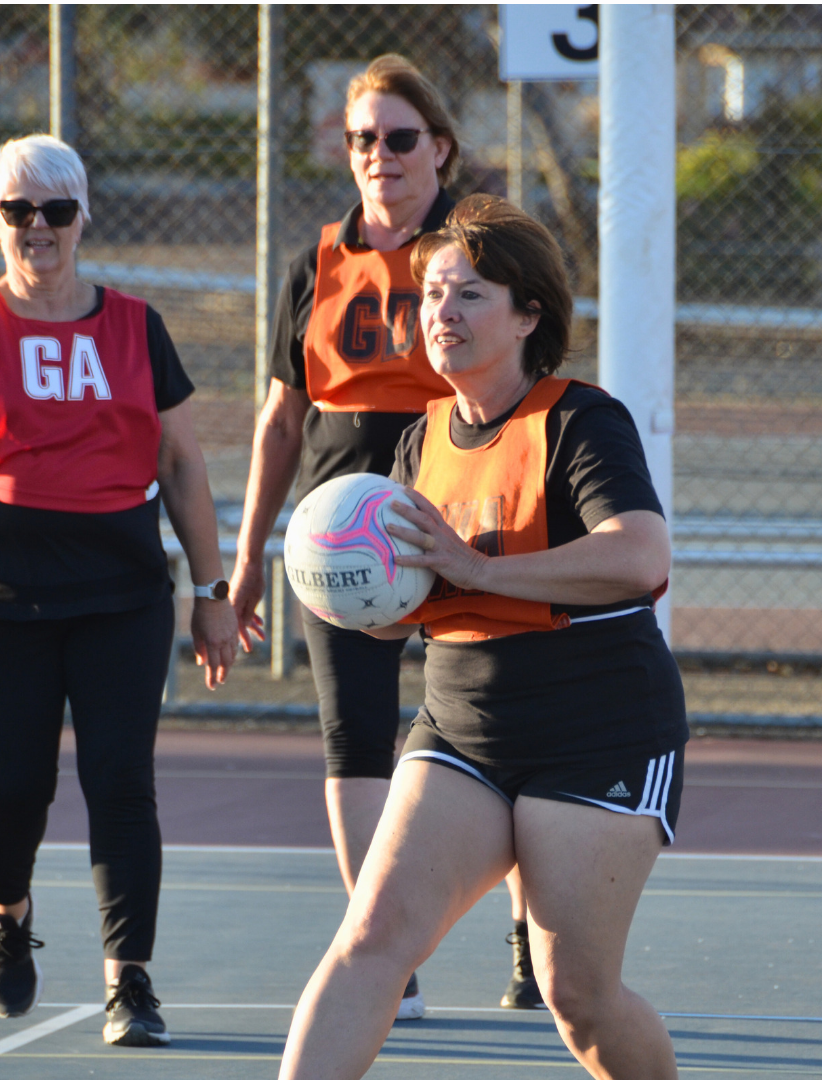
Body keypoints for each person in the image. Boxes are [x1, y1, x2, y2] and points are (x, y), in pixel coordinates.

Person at [277, 194, 688, 1080]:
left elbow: (640, 556)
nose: (442, 312)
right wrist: (361, 600)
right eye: (431, 293)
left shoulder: (578, 420)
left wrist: (480, 569)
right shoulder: (421, 441)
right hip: (463, 729)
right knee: (372, 937)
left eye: (469, 294)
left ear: (528, 314)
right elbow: (419, 596)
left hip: (597, 732)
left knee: (577, 994)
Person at [0, 134, 238, 1048]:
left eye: (55, 209)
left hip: (123, 596)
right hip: (2, 601)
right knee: (13, 791)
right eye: (18, 210)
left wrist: (212, 591)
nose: (38, 227)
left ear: (83, 216)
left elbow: (182, 465)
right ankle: (7, 916)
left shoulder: (137, 327)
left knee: (121, 784)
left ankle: (130, 983)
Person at [232, 54, 494, 1019]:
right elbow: (278, 421)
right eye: (361, 140)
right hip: (339, 538)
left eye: (399, 137)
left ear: (441, 148)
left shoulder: (477, 252)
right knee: (354, 737)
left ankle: (529, 934)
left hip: (458, 514)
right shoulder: (317, 262)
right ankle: (389, 951)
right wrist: (244, 564)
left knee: (502, 725)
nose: (379, 154)